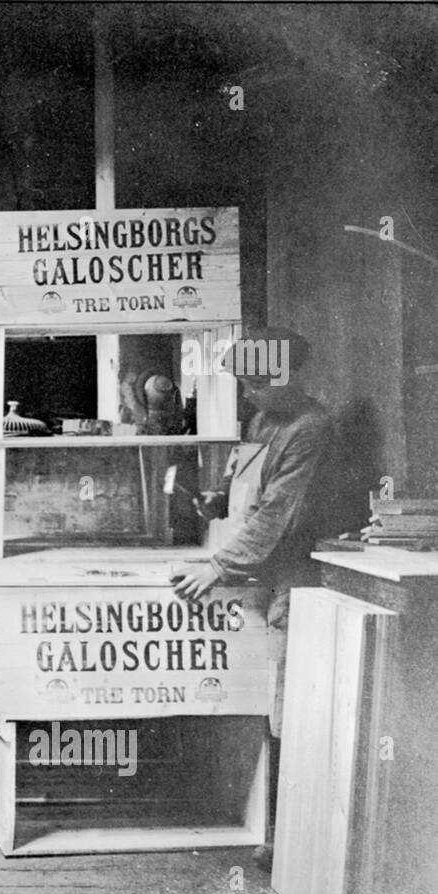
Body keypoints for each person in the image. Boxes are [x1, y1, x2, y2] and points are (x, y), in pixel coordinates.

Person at [170, 327, 334, 861]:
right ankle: (247, 817)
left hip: (286, 580)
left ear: (288, 376)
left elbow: (279, 514)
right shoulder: (264, 420)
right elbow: (251, 494)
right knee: (245, 703)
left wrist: (218, 564)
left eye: (257, 382)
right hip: (247, 580)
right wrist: (219, 499)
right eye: (245, 382)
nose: (249, 392)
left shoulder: (310, 428)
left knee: (279, 706)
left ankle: (284, 837)